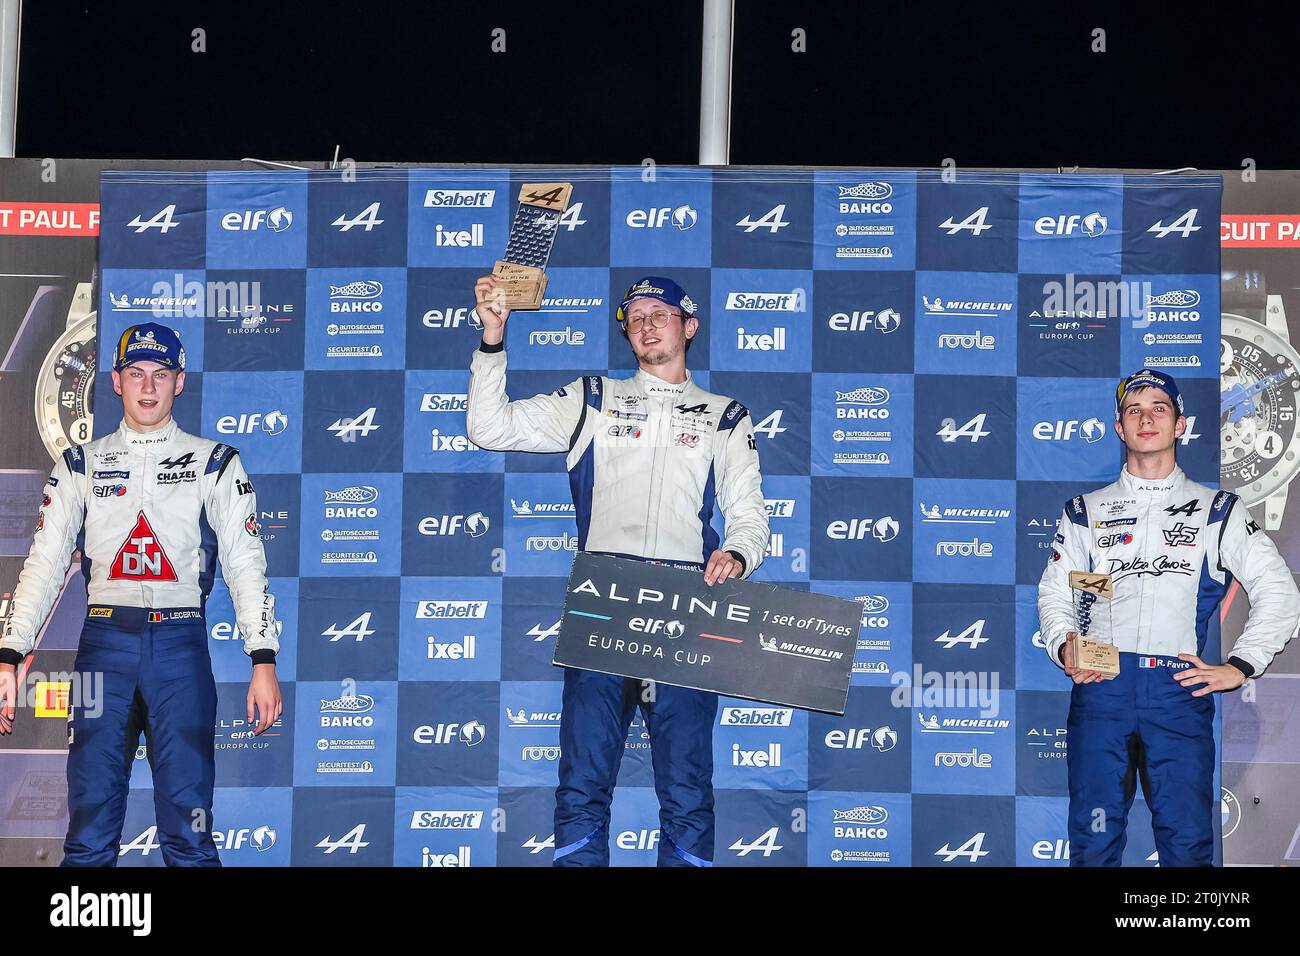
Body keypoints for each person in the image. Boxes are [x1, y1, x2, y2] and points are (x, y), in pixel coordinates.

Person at [467, 274, 769, 866]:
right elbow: (488, 427)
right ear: (626, 331)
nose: (647, 322)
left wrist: (738, 554)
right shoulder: (593, 397)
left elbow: (749, 512)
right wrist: (494, 338)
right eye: (635, 315)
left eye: (661, 312)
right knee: (584, 781)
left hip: (687, 602)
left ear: (690, 325)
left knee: (686, 789)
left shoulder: (724, 415)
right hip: (605, 599)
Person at [0, 323, 282, 867]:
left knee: (190, 832)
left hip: (180, 646)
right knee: (87, 832)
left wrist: (262, 658)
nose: (147, 386)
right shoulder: (79, 463)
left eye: (160, 374)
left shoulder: (215, 463)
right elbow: (45, 563)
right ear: (115, 382)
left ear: (180, 382)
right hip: (104, 646)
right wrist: (10, 654)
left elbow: (247, 565)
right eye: (136, 373)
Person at [1037, 367, 1299, 866]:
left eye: (1160, 408)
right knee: (1093, 840)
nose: (1147, 418)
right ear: (1120, 427)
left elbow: (1279, 590)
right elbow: (1057, 591)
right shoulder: (1084, 511)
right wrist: (1062, 642)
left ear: (1181, 425)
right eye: (1134, 410)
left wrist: (1242, 664)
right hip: (1102, 684)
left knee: (1186, 842)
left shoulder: (1215, 509)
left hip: (1178, 689)